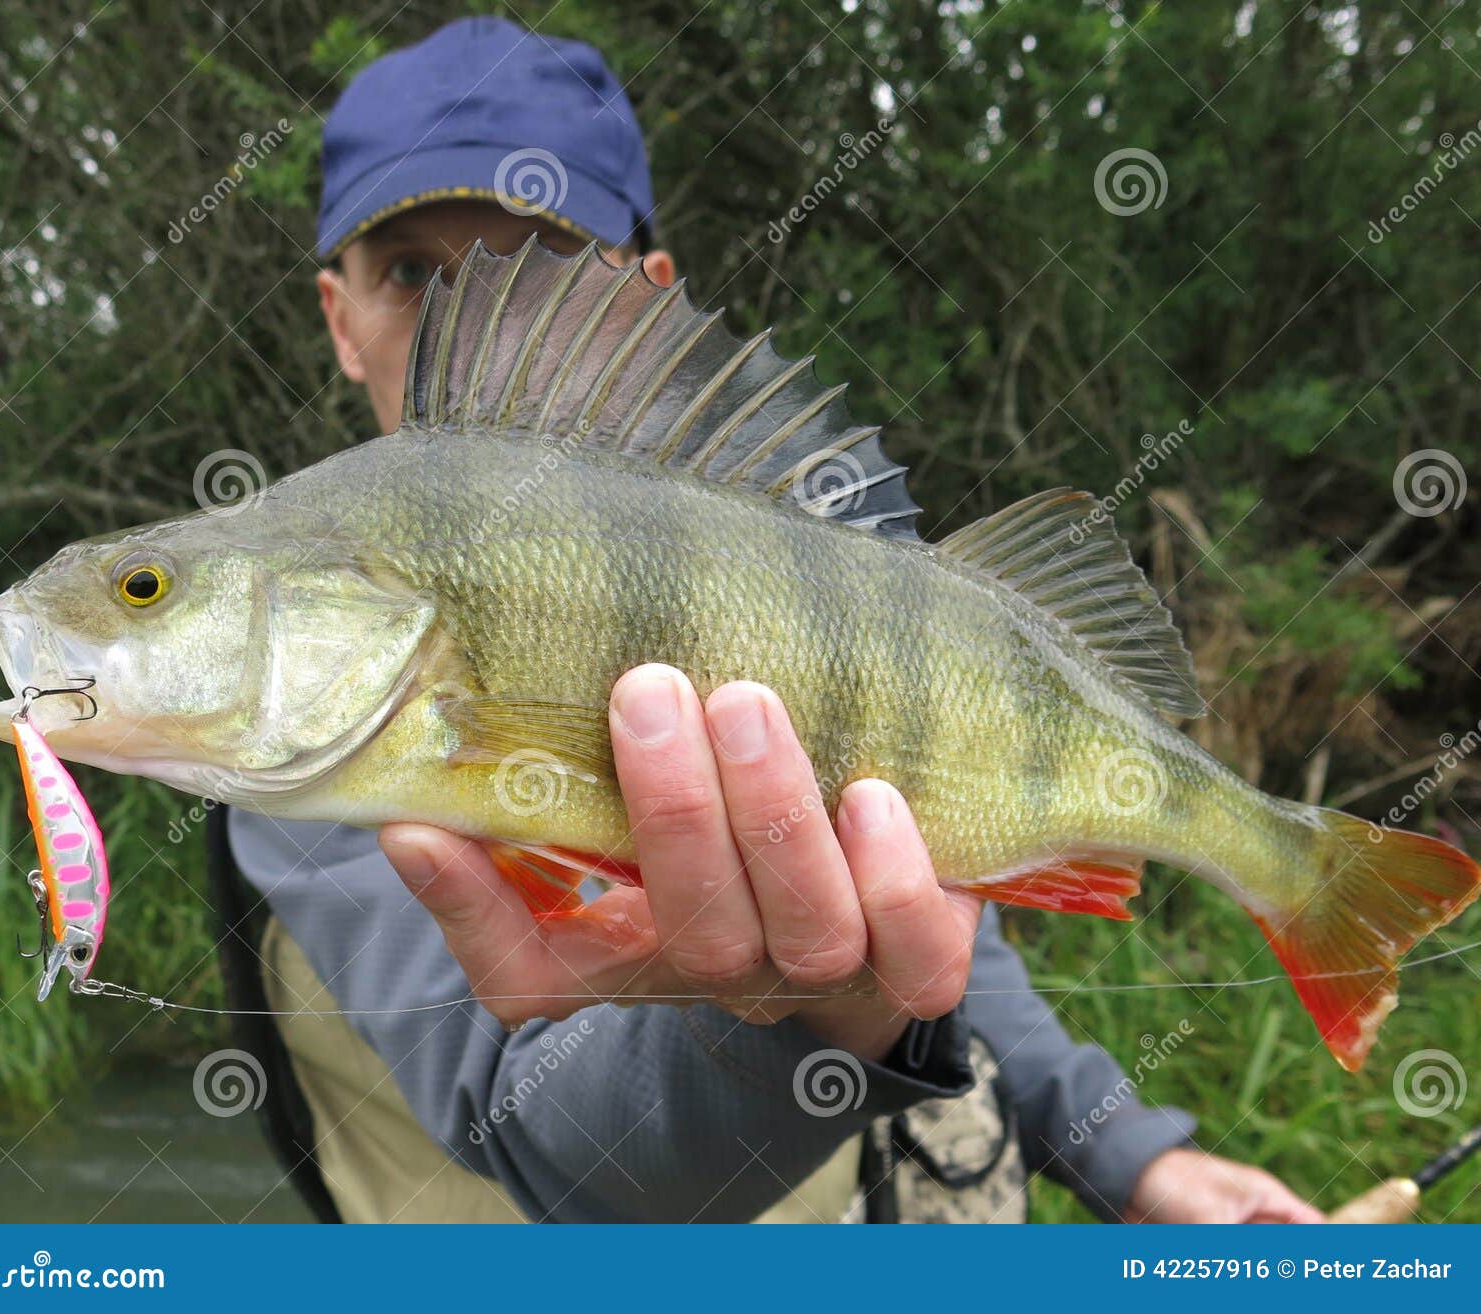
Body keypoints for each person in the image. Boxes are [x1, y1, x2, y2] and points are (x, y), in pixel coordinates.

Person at [221, 14, 1323, 1225]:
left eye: (542, 264)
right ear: (338, 317)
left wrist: (1136, 1159)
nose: (475, 312)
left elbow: (941, 910)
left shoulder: (793, 540)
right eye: (409, 274)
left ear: (646, 297)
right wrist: (815, 1018)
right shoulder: (299, 734)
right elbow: (552, 1145)